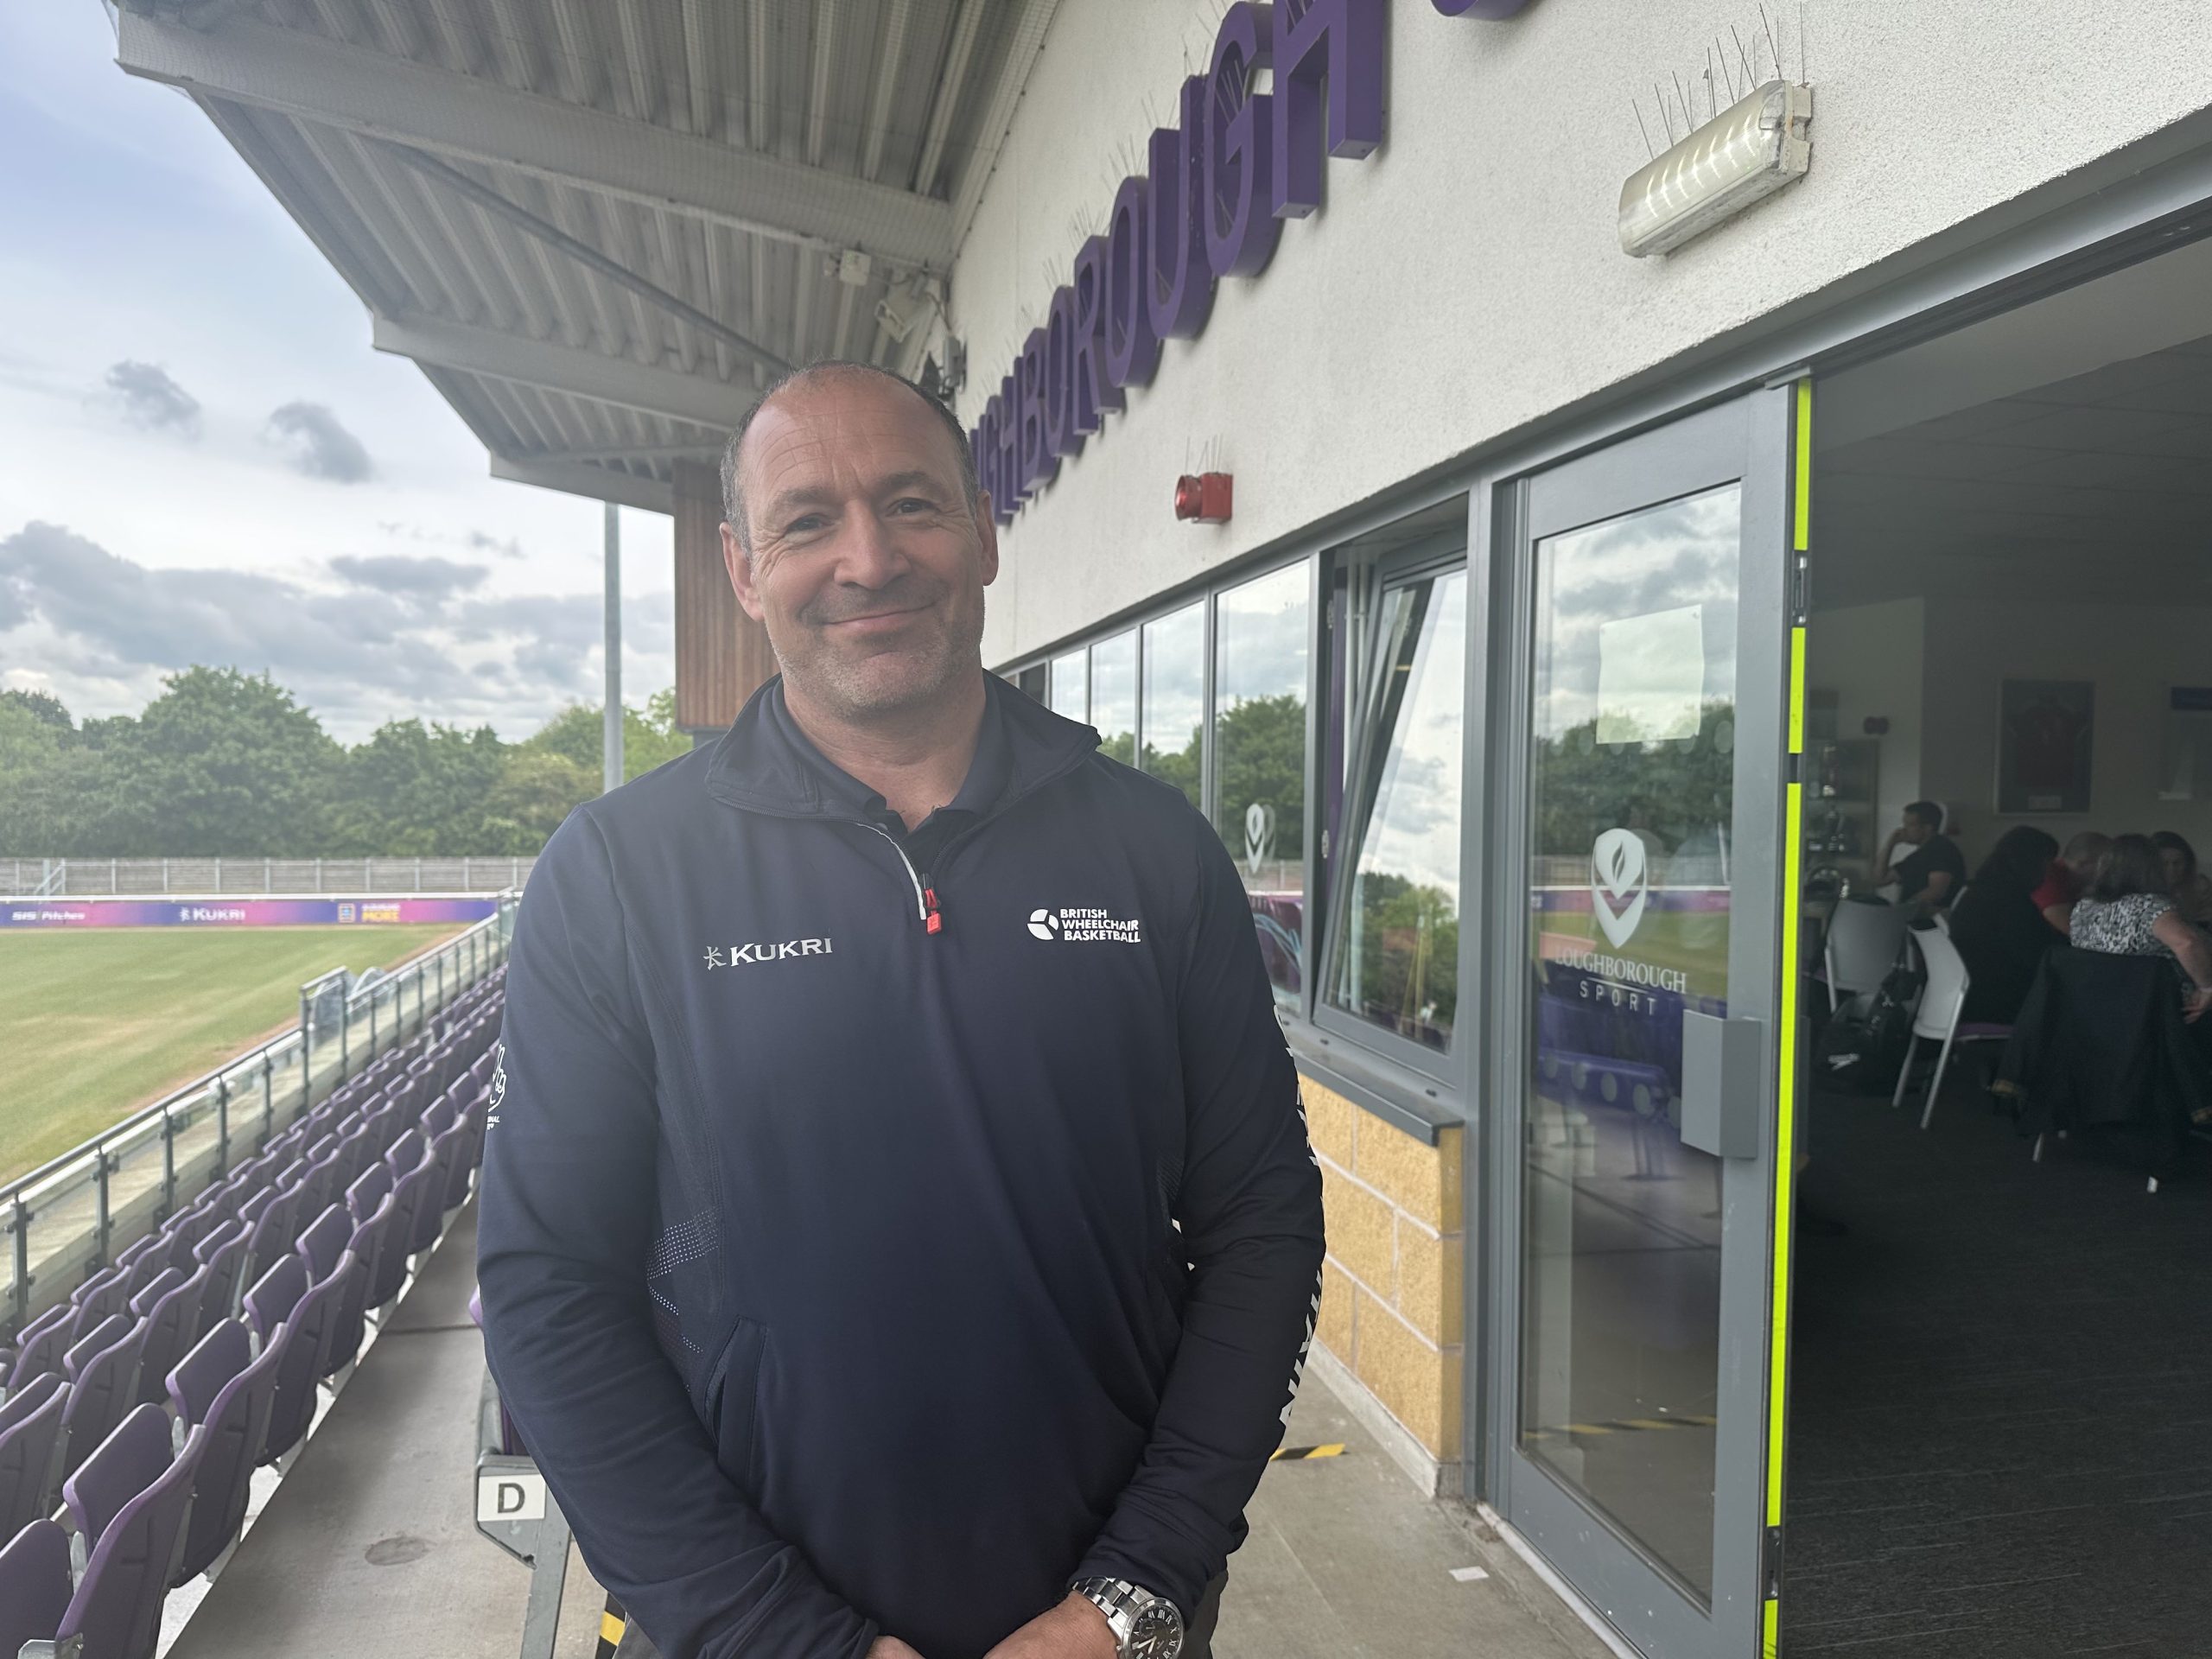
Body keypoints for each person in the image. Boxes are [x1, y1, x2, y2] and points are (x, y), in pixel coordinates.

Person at [475, 361, 1325, 1659]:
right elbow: (549, 1290)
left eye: (911, 504)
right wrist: (780, 1636)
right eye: (807, 521)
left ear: (984, 531)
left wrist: (1134, 1594)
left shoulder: (1155, 851)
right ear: (743, 569)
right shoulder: (619, 875)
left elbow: (1262, 1223)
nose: (869, 560)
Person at [2069, 834, 2212, 1025]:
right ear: (2153, 868)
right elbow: (2187, 943)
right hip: (2159, 1006)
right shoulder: (2150, 906)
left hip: (2100, 1004)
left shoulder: (2085, 906)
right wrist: (2207, 988)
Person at [1949, 825, 2060, 1024]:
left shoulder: (1974, 891)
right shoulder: (2010, 902)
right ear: (2033, 863)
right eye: (2047, 864)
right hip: (2001, 1002)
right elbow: (2036, 954)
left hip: (1972, 995)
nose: (2048, 873)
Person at [1876, 800, 1965, 913]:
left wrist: (1905, 908)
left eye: (1910, 825)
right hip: (1909, 916)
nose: (1903, 830)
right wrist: (1890, 844)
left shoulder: (1942, 850)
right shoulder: (1917, 856)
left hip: (1928, 920)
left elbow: (1936, 891)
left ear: (1928, 828)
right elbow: (1880, 879)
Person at [2032, 829, 2109, 937]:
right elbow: (2076, 932)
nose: (2111, 869)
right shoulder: (2050, 877)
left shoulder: (2082, 883)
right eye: (2107, 863)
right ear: (2083, 863)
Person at [2152, 830, 2212, 926]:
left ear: (2187, 863)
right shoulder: (2143, 891)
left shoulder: (2199, 887)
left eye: (2177, 863)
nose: (2171, 869)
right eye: (2164, 863)